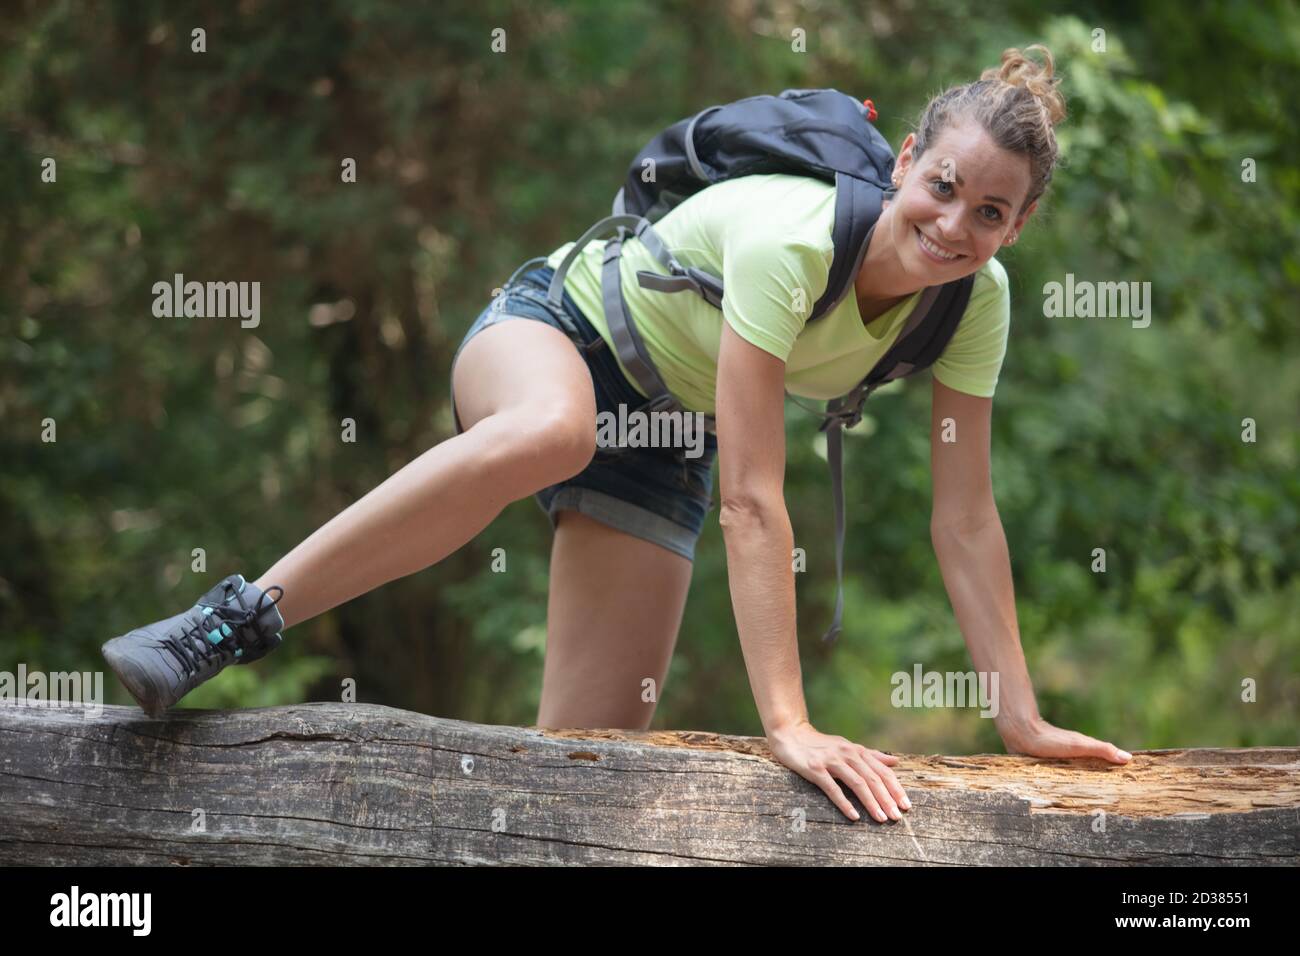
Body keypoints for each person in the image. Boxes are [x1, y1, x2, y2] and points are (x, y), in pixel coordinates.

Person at [103, 44, 1131, 824]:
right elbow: (753, 499)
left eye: (990, 212)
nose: (954, 225)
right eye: (942, 187)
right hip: (555, 331)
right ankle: (230, 620)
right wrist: (790, 721)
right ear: (906, 161)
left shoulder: (975, 304)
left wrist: (1019, 715)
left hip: (665, 430)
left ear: (1016, 227)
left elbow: (966, 520)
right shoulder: (792, 238)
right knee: (555, 428)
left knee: (584, 769)